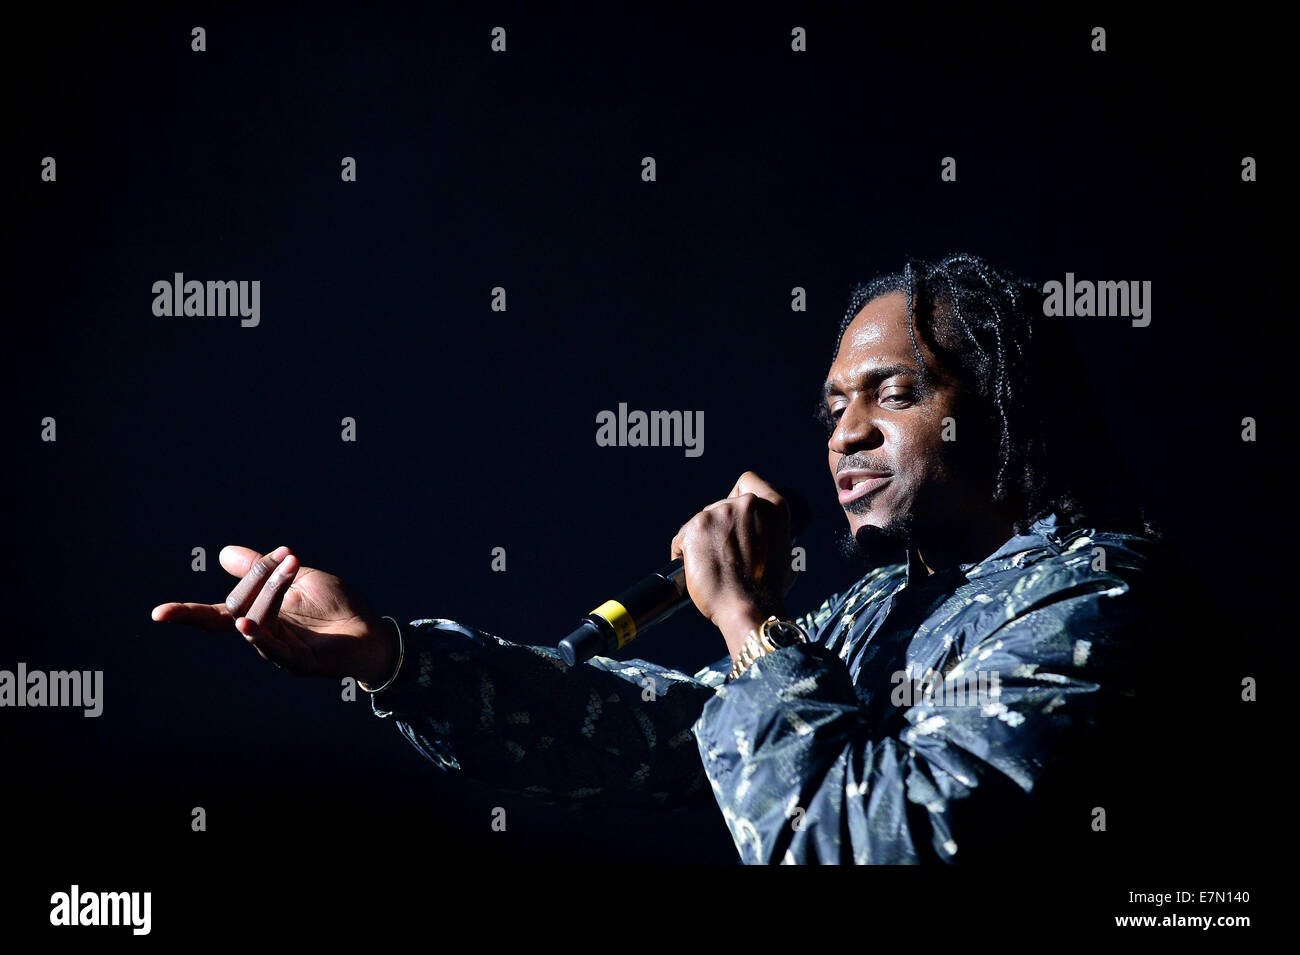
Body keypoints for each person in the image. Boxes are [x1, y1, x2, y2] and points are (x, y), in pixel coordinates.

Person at [151, 252, 1172, 865]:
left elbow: (880, 841)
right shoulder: (870, 613)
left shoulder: (1094, 594)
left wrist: (746, 623)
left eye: (892, 393)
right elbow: (661, 737)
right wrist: (390, 656)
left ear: (996, 408)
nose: (844, 433)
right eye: (831, 407)